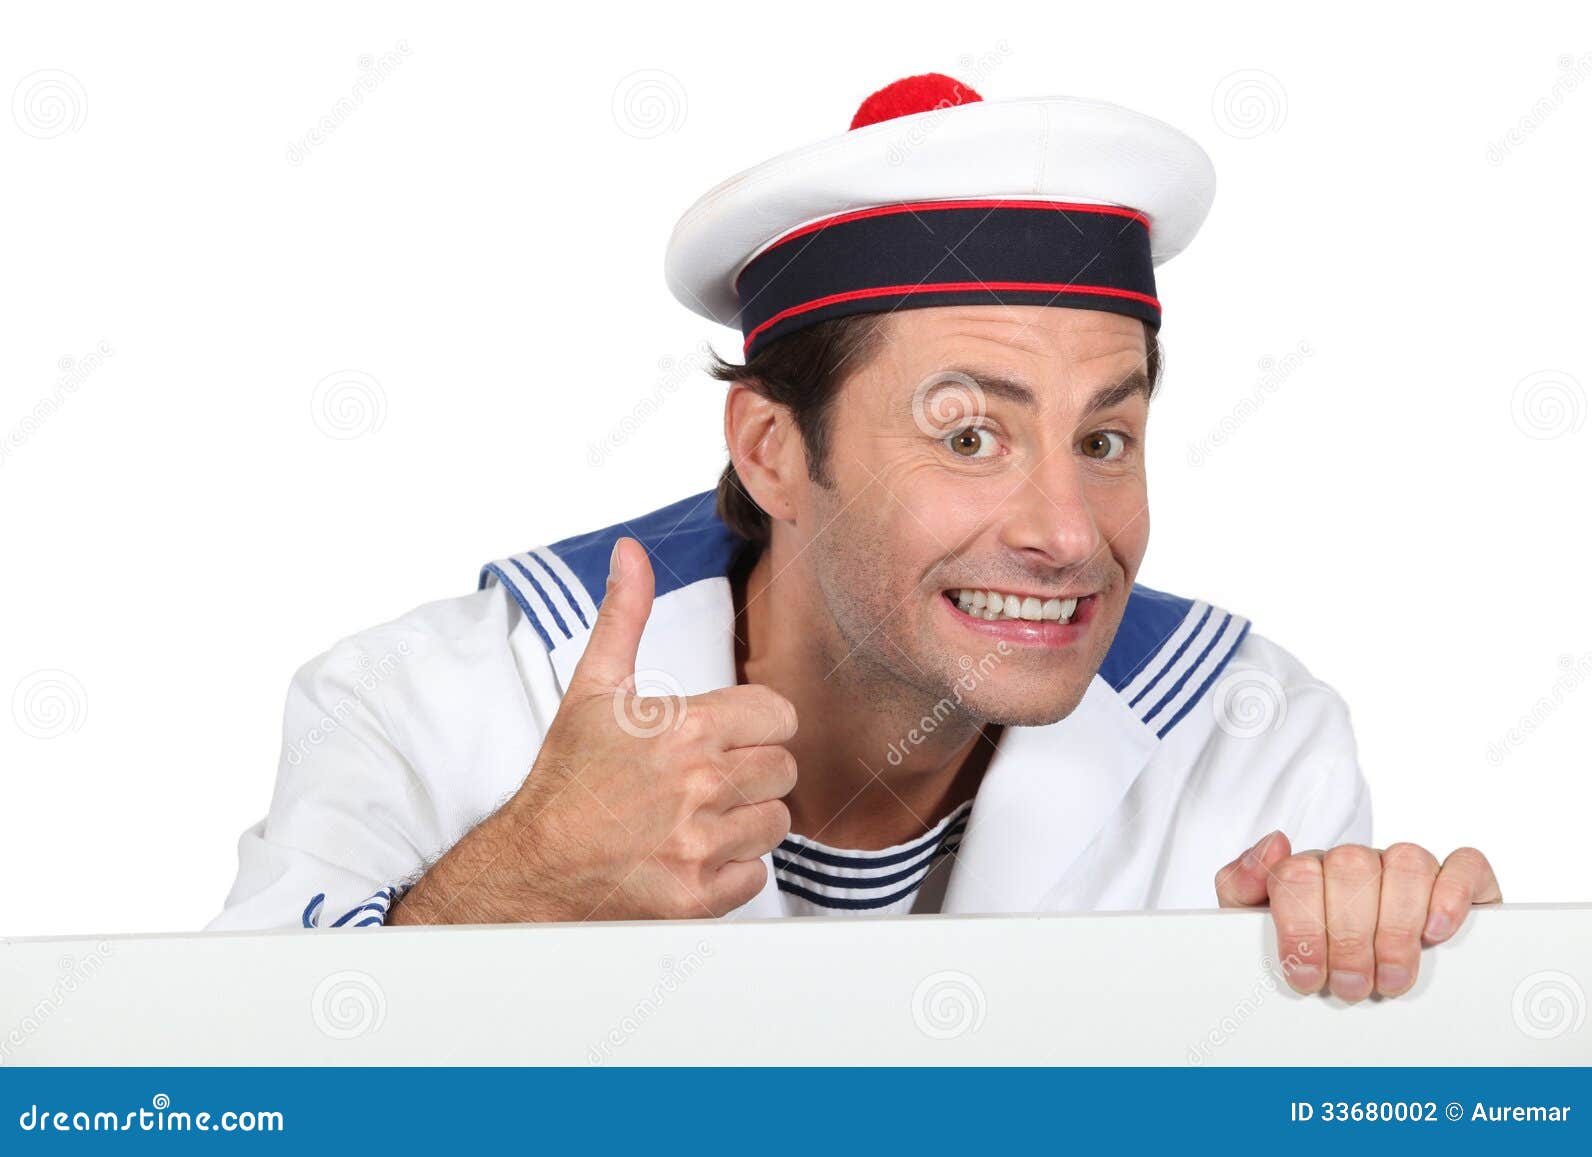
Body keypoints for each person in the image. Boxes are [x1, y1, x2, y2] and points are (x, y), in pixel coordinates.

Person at [210, 73, 1500, 1005]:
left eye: (1105, 440)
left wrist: (1364, 1022)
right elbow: (211, 1090)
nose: (1065, 533)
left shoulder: (1251, 737)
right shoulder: (428, 702)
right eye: (967, 435)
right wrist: (520, 887)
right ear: (773, 450)